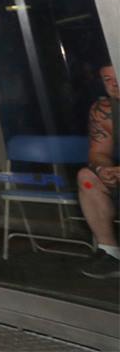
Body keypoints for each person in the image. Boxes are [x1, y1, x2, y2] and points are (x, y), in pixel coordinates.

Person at [78, 62, 119, 279]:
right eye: (107, 80)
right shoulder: (104, 111)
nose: (114, 84)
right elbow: (98, 152)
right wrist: (104, 169)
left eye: (118, 76)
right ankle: (111, 253)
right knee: (87, 178)